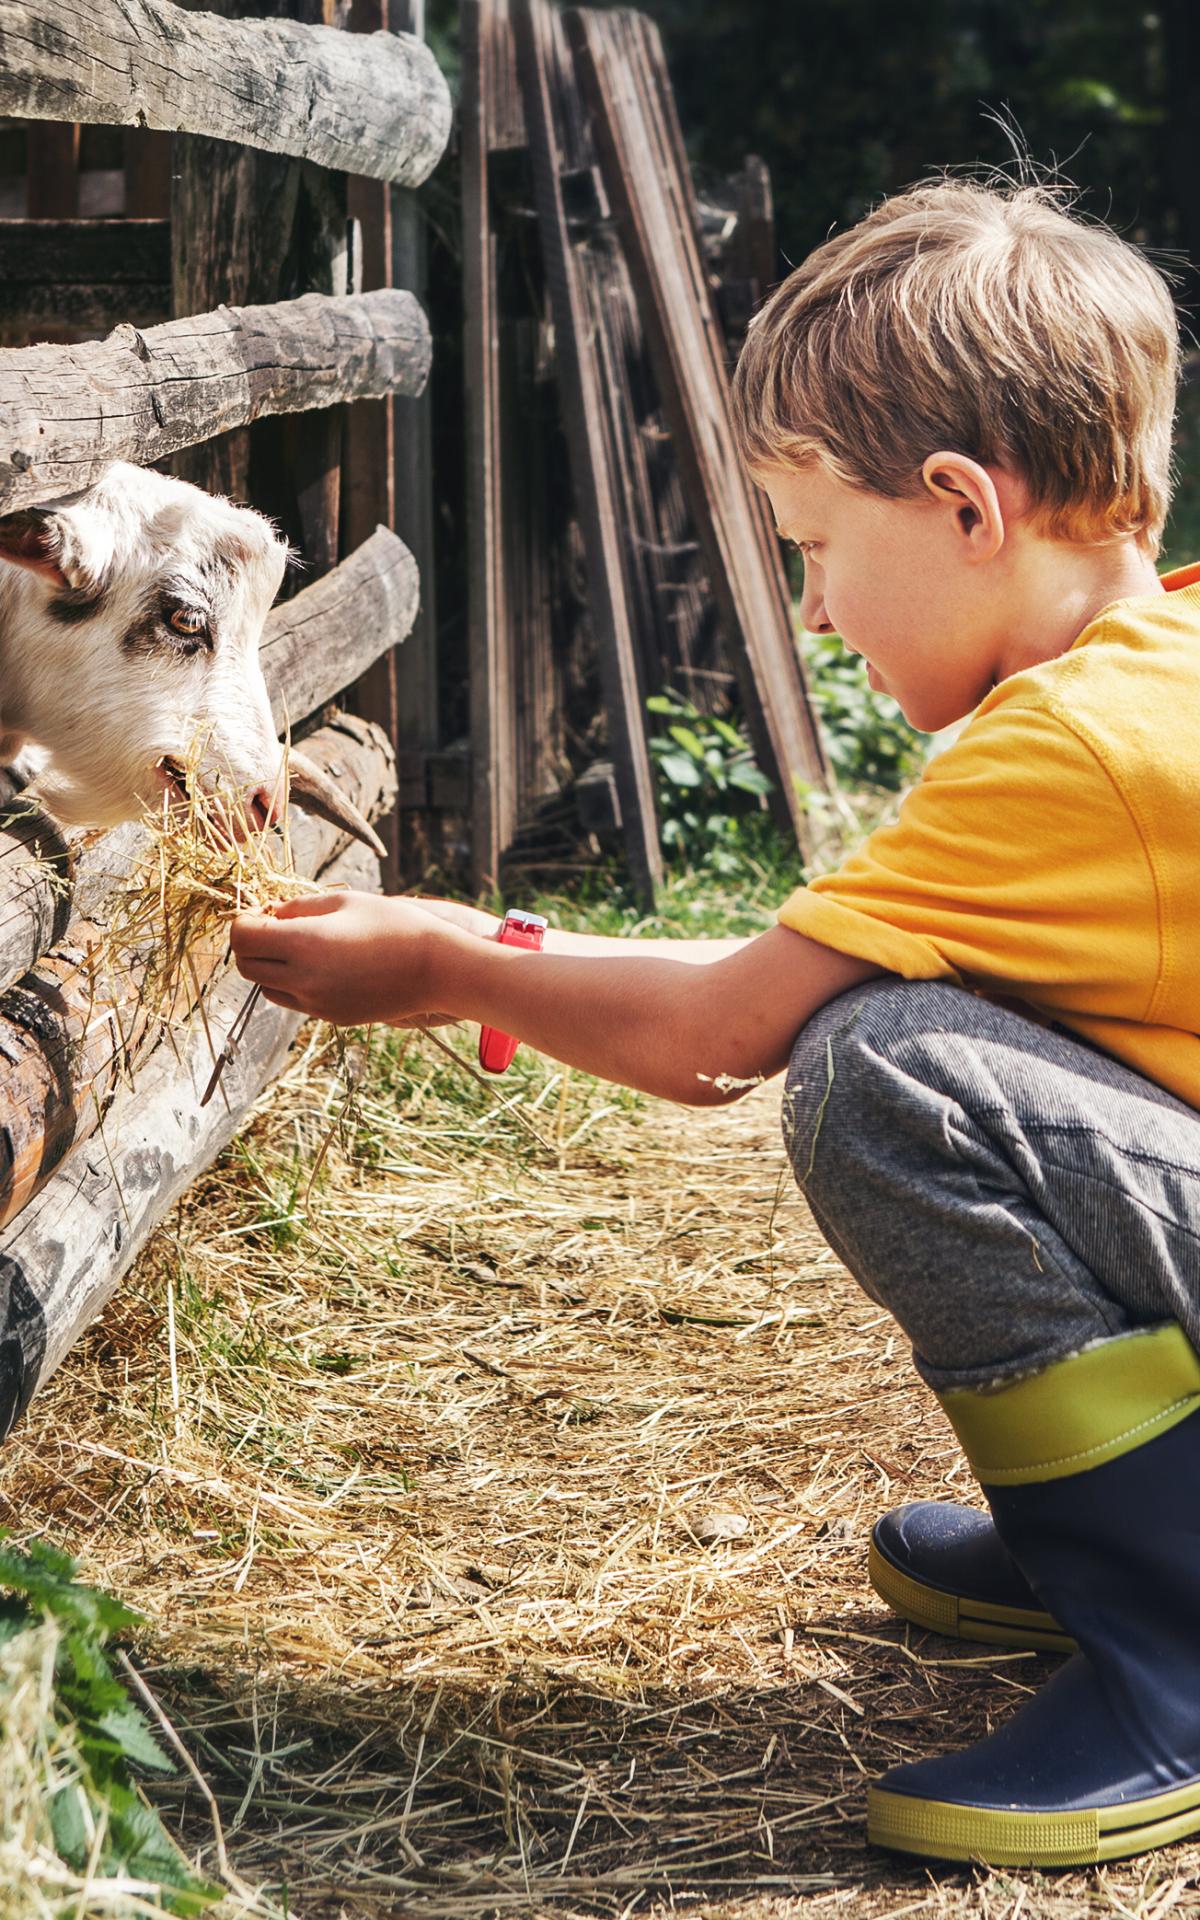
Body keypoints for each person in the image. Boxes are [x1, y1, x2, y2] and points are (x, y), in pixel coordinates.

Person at [230, 176, 1200, 1871]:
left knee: (885, 1080)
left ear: (967, 506)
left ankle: (1175, 1630)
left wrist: (458, 965)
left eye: (817, 550)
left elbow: (730, 1029)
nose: (814, 613)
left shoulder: (1068, 753)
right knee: (916, 1025)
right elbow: (810, 944)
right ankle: (1114, 1541)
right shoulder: (1158, 665)